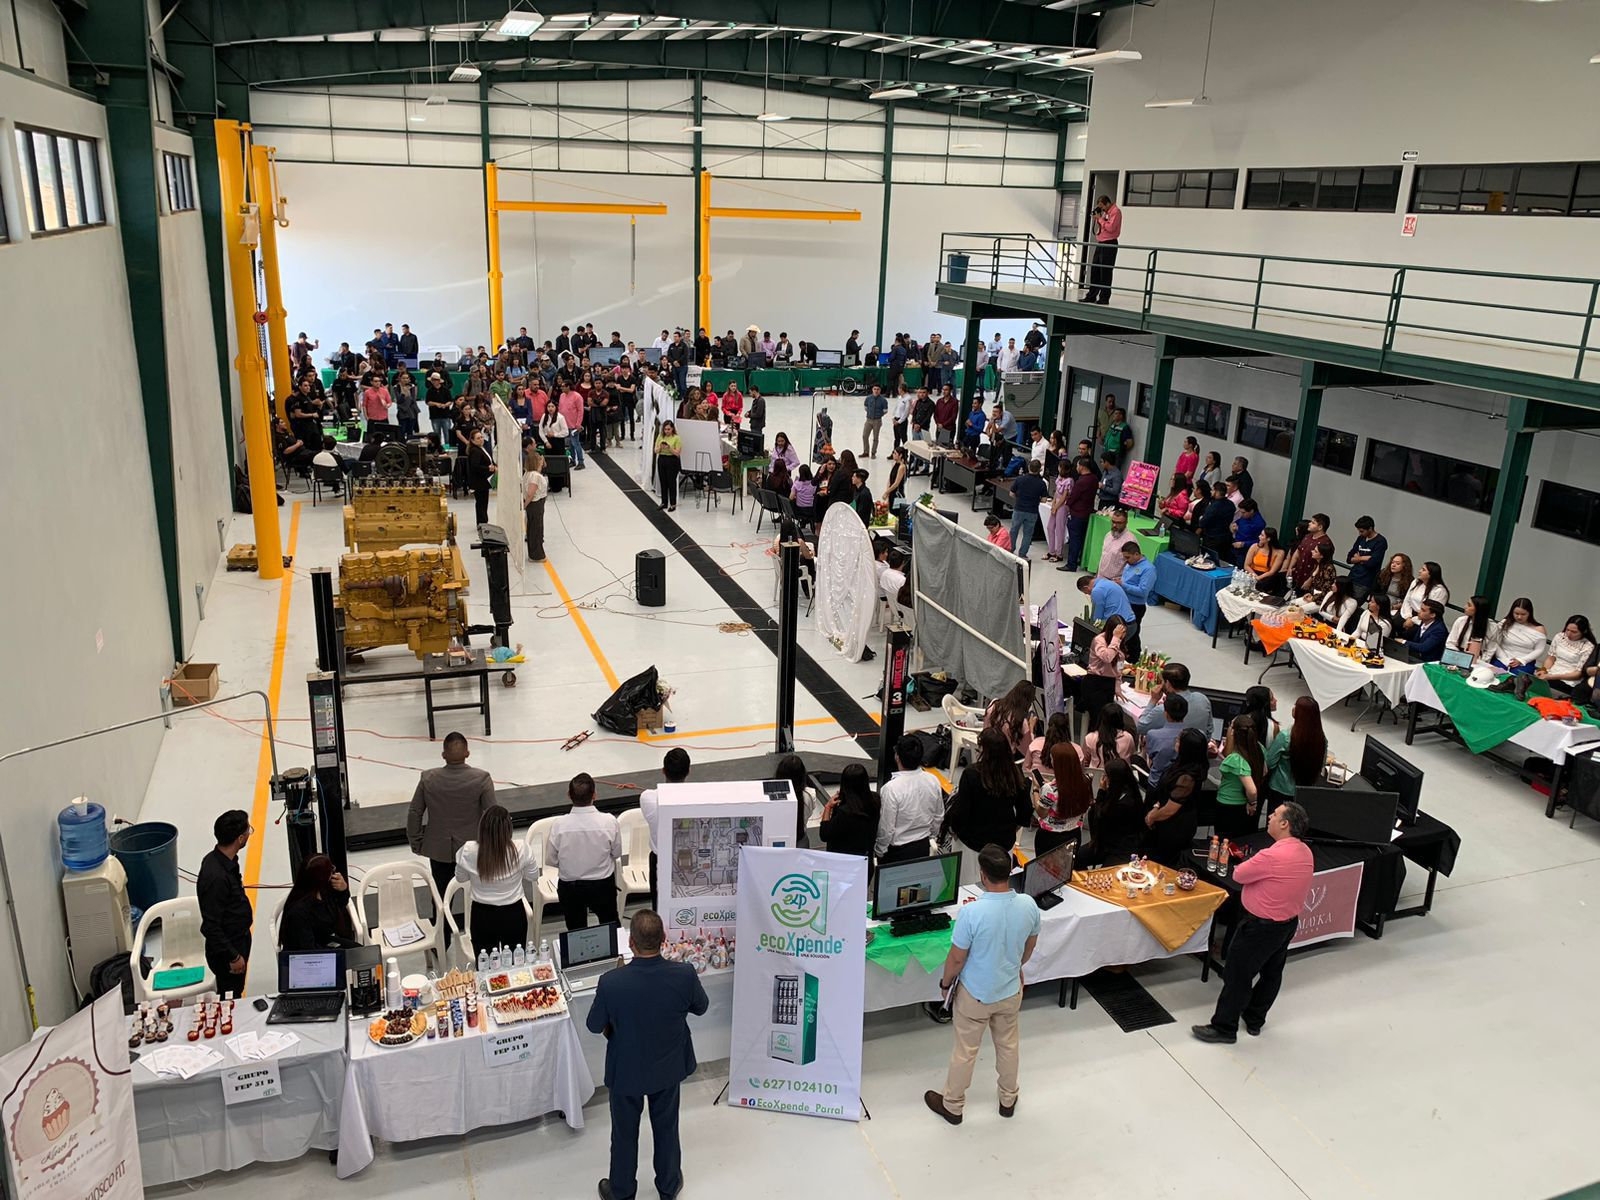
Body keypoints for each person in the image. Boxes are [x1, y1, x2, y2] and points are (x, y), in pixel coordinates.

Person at [586, 909, 707, 1200]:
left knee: (624, 1134)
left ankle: (622, 1191)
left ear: (631, 943)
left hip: (625, 1069)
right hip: (668, 1067)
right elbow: (700, 1006)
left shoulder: (611, 982)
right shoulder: (684, 975)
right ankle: (668, 1185)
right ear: (664, 940)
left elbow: (593, 1025)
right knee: (667, 1128)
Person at [922, 843, 1039, 1122]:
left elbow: (956, 959)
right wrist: (1015, 967)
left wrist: (946, 983)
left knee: (965, 1051)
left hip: (975, 995)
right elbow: (1030, 946)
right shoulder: (1028, 905)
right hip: (1010, 990)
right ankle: (1008, 1099)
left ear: (983, 874)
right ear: (1010, 871)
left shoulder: (972, 913)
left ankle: (953, 1105)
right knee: (1008, 1045)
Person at [1192, 802, 1315, 1044]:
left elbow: (1238, 875)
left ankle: (1225, 1027)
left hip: (1259, 926)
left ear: (1285, 824)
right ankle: (1255, 1018)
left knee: (1238, 975)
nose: (1269, 816)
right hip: (1287, 923)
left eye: (1275, 814)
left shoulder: (1272, 855)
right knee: (1272, 972)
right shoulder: (1305, 852)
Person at [406, 732, 496, 919]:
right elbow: (493, 814)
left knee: (440, 898)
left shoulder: (428, 778)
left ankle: (441, 940)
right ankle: (477, 936)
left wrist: (416, 842)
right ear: (467, 753)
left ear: (443, 755)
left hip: (439, 850)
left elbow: (415, 812)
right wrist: (494, 846)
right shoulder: (482, 778)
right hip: (474, 850)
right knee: (480, 894)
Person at [941, 729, 1035, 875]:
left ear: (984, 750)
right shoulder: (1014, 773)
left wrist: (956, 830)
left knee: (970, 890)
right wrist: (1012, 828)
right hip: (1003, 844)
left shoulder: (972, 774)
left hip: (973, 844)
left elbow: (961, 812)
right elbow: (1026, 810)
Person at [454, 805, 539, 951]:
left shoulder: (469, 850)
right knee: (515, 964)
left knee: (485, 966)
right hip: (513, 913)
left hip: (482, 916)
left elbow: (460, 878)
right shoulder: (521, 848)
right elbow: (533, 876)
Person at [546, 773, 621, 930]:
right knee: (610, 925)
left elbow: (551, 860)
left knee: (575, 929)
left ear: (569, 795)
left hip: (571, 887)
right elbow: (616, 853)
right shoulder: (609, 821)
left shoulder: (559, 825)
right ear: (594, 795)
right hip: (602, 885)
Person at [197, 810, 254, 996]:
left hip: (238, 939)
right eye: (248, 831)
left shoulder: (224, 861)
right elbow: (210, 926)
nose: (248, 834)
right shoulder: (217, 877)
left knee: (236, 989)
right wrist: (233, 956)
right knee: (231, 996)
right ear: (240, 838)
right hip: (228, 950)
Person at [1143, 728, 1208, 867]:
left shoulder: (1187, 778)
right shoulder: (1181, 764)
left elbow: (1171, 809)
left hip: (1175, 825)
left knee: (1163, 863)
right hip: (1164, 816)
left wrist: (1152, 817)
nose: (1176, 741)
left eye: (1179, 740)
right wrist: (1156, 807)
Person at [876, 737, 946, 863]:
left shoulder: (891, 789)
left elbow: (887, 828)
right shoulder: (933, 781)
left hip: (897, 852)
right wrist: (932, 837)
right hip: (923, 846)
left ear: (897, 757)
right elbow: (938, 816)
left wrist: (880, 851)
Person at [637, 749, 690, 910]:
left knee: (659, 906)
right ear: (688, 772)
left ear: (663, 770)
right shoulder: (695, 797)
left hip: (659, 859)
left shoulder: (648, 798)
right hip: (689, 859)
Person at [277, 854, 357, 952]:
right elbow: (308, 949)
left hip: (324, 940)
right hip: (309, 955)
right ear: (322, 877)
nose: (334, 873)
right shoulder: (299, 912)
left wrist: (343, 889)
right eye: (331, 870)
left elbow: (341, 904)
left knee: (362, 952)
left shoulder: (323, 890)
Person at [1079, 759, 1146, 867]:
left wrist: (1101, 791)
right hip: (1105, 842)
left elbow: (1099, 815)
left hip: (1121, 848)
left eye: (1106, 775)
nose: (1104, 778)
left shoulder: (1127, 802)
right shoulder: (1116, 791)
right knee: (1076, 857)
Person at [1033, 742, 1093, 856]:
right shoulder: (1086, 781)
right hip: (1074, 835)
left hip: (1049, 838)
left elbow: (1041, 812)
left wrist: (1035, 790)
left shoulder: (1049, 789)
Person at [1266, 695, 1327, 800]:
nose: (1293, 708)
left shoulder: (1285, 737)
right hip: (1305, 790)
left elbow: (1270, 762)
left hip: (1280, 789)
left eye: (1295, 706)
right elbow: (1322, 763)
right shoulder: (1321, 739)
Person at [1215, 715, 1265, 836]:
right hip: (1242, 806)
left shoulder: (1236, 759)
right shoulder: (1259, 749)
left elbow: (1252, 790)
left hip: (1228, 805)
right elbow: (1264, 771)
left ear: (1234, 732)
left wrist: (1253, 803)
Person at [1134, 662, 1214, 738]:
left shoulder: (1164, 709)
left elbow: (1140, 728)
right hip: (1199, 749)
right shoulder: (1203, 699)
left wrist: (1153, 700)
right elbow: (1209, 729)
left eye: (1162, 681)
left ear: (1168, 684)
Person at [819, 764, 880, 861]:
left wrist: (828, 807)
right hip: (865, 860)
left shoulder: (844, 812)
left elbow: (824, 834)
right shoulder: (876, 800)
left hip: (845, 865)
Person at [1480, 597, 1548, 673]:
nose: (1519, 617)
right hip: (1501, 657)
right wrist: (1504, 659)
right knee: (1489, 672)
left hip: (1525, 661)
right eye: (1516, 613)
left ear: (1529, 613)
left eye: (1523, 614)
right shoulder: (1505, 623)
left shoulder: (1539, 629)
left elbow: (1539, 649)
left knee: (1516, 677)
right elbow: (1494, 641)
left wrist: (1521, 660)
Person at [1081, 193, 1121, 305]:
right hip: (1101, 243)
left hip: (1110, 244)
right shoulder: (1105, 213)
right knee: (1095, 270)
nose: (1101, 209)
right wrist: (1098, 218)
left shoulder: (1115, 212)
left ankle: (1104, 298)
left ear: (1107, 203)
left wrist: (1100, 219)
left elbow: (1111, 228)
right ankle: (1091, 295)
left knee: (1106, 271)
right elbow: (1102, 226)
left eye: (1102, 206)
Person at [1537, 616, 1595, 690]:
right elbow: (1550, 658)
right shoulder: (1560, 636)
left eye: (1574, 632)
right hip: (1551, 674)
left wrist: (1552, 677)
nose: (1569, 634)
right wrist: (1543, 670)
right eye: (1567, 630)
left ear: (1584, 631)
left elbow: (1578, 674)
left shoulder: (1588, 646)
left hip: (1568, 680)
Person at [1142, 692, 1189, 784]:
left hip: (1157, 784)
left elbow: (1150, 759)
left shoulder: (1153, 735)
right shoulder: (1195, 735)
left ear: (1166, 714)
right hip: (1182, 785)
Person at [984, 680, 1037, 760]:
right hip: (1006, 759)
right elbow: (1027, 752)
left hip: (987, 750)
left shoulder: (993, 705)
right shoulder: (1020, 721)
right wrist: (1031, 729)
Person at [1008, 460, 1049, 557]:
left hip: (1019, 509)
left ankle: (1010, 548)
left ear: (1029, 467)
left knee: (1014, 530)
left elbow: (1011, 493)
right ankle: (1022, 553)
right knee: (1028, 534)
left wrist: (1019, 498)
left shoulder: (1020, 479)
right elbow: (1044, 500)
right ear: (1040, 469)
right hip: (1032, 511)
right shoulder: (1042, 483)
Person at [1285, 513, 1333, 593]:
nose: (1309, 524)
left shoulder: (1325, 543)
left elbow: (1322, 564)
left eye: (1313, 523)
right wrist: (1290, 567)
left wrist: (1310, 580)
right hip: (1298, 574)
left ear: (1320, 527)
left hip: (1310, 580)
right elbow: (1298, 552)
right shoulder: (1307, 536)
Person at [1082, 699, 1134, 769]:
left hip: (1095, 778)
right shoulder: (1128, 738)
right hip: (1120, 777)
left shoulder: (1090, 738)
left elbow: (1085, 761)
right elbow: (1131, 755)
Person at [1346, 516, 1388, 600]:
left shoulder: (1380, 541)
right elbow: (1349, 558)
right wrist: (1365, 558)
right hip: (1352, 576)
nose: (1360, 533)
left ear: (1370, 528)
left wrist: (1358, 558)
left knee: (1353, 604)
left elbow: (1372, 563)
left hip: (1365, 581)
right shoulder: (1361, 538)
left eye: (1362, 531)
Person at [1118, 541, 1156, 630]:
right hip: (1124, 602)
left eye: (1127, 557)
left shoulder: (1148, 569)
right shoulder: (1130, 564)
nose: (1126, 560)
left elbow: (1143, 591)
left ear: (1136, 554)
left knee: (1132, 634)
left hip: (1135, 606)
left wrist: (1123, 585)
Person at [1042, 458, 1074, 563]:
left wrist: (1057, 506)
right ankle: (1051, 551)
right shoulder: (1059, 478)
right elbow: (1056, 492)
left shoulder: (1069, 481)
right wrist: (1053, 504)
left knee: (1059, 529)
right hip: (1056, 503)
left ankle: (1059, 553)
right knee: (1050, 527)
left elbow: (1065, 496)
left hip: (1063, 505)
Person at [1196, 481, 1236, 560]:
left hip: (1212, 538)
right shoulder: (1231, 504)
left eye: (1213, 490)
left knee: (1209, 559)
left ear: (1217, 492)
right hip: (1225, 536)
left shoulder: (1214, 506)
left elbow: (1204, 521)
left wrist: (1201, 519)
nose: (1211, 492)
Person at [1095, 509, 1138, 581]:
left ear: (1126, 523)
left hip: (1114, 582)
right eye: (1113, 522)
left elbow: (1134, 565)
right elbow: (1103, 557)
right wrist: (1096, 575)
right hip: (1100, 577)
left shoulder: (1130, 541)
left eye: (1119, 523)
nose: (1115, 525)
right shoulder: (1108, 535)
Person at [1446, 594, 1491, 662]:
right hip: (1457, 657)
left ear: (1478, 609)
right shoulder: (1460, 621)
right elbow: (1450, 643)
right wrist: (1460, 657)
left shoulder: (1492, 628)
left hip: (1478, 661)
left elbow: (1490, 651)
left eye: (1469, 605)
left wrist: (1477, 661)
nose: (1465, 607)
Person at [465, 427, 496, 527]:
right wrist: (488, 468)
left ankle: (483, 521)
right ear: (473, 440)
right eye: (478, 438)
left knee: (483, 502)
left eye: (481, 437)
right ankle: (482, 522)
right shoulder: (475, 451)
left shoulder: (482, 448)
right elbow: (475, 466)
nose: (481, 439)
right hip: (479, 481)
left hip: (484, 481)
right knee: (481, 503)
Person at [1247, 526, 1289, 595]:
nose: (1259, 536)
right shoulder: (1254, 547)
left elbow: (1272, 571)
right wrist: (1254, 575)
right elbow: (1246, 565)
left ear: (1268, 539)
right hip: (1252, 573)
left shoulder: (1280, 552)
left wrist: (1258, 578)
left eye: (1262, 535)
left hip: (1267, 576)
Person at [522, 449, 548, 561]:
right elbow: (531, 493)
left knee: (533, 527)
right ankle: (536, 554)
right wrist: (524, 505)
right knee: (536, 529)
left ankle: (535, 552)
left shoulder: (528, 473)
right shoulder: (535, 476)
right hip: (535, 504)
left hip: (534, 504)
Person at [655, 420, 682, 512]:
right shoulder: (660, 436)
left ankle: (673, 503)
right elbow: (655, 450)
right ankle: (664, 502)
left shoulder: (676, 438)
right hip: (662, 459)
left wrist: (670, 448)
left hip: (672, 460)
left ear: (672, 429)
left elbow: (677, 453)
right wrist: (660, 448)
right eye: (665, 429)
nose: (667, 431)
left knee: (671, 482)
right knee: (663, 481)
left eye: (669, 429)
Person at [1229, 499, 1265, 567]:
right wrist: (1234, 525)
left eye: (1243, 512)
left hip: (1246, 551)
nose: (1241, 514)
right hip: (1235, 546)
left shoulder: (1259, 523)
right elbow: (1239, 521)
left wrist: (1244, 544)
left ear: (1251, 511)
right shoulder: (1245, 516)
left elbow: (1259, 541)